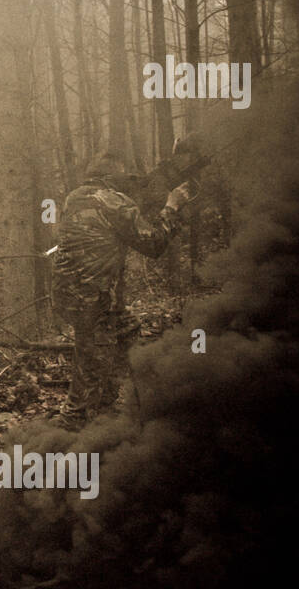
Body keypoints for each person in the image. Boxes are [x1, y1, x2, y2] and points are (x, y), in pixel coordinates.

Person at [51, 151, 193, 430]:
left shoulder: (74, 197)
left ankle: (114, 410)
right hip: (93, 300)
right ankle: (64, 436)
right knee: (90, 366)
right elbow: (153, 245)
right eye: (123, 176)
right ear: (111, 178)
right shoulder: (114, 202)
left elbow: (113, 225)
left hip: (70, 295)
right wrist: (172, 207)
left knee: (127, 330)